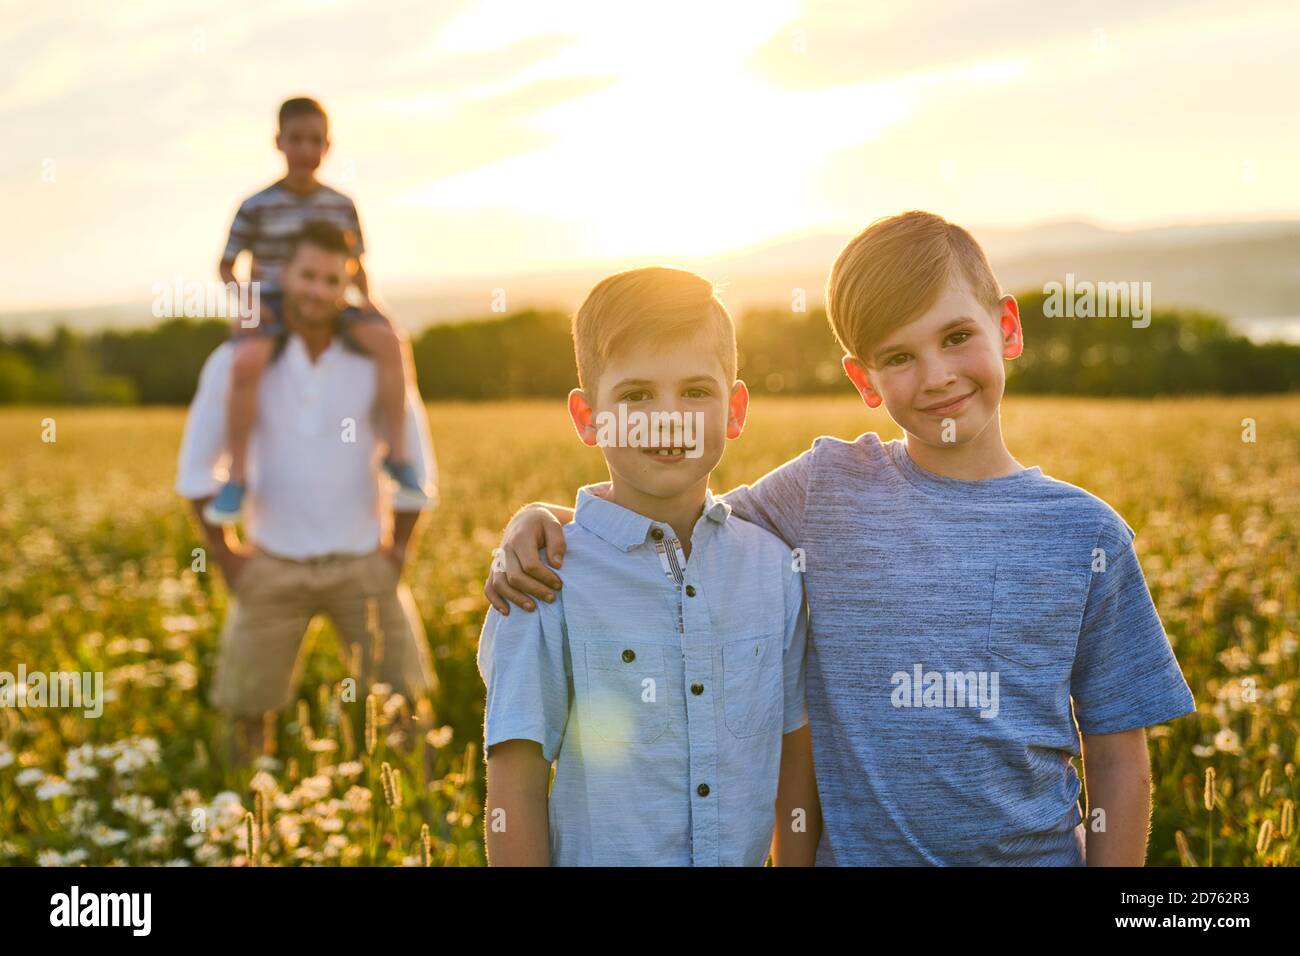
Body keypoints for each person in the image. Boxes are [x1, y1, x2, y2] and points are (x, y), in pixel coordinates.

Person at [484, 211, 1197, 865]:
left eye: (956, 337)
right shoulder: (824, 488)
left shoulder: (1086, 535)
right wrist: (547, 520)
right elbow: (670, 522)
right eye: (898, 356)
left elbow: (1119, 761)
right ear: (864, 379)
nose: (938, 375)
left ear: (1007, 327)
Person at [479, 267, 819, 866]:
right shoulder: (545, 579)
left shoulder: (774, 570)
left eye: (695, 392)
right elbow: (517, 779)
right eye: (636, 395)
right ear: (588, 418)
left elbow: (794, 751)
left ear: (735, 408)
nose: (669, 418)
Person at [177, 220, 438, 766]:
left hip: (365, 563)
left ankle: (420, 817)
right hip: (270, 566)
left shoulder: (376, 359)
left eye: (329, 279)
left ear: (346, 283)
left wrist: (398, 554)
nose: (316, 290)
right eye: (306, 276)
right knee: (245, 713)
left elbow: (414, 457)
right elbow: (196, 473)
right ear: (281, 276)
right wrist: (228, 560)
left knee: (406, 707)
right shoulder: (235, 363)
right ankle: (245, 822)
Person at [207, 95, 426, 524]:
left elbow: (355, 267)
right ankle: (236, 475)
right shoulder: (255, 205)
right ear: (279, 142)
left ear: (327, 146)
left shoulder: (341, 205)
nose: (306, 150)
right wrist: (249, 306)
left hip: (330, 301)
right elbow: (226, 265)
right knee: (247, 361)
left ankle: (397, 457)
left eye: (315, 141)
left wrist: (372, 306)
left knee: (389, 342)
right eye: (297, 139)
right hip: (271, 304)